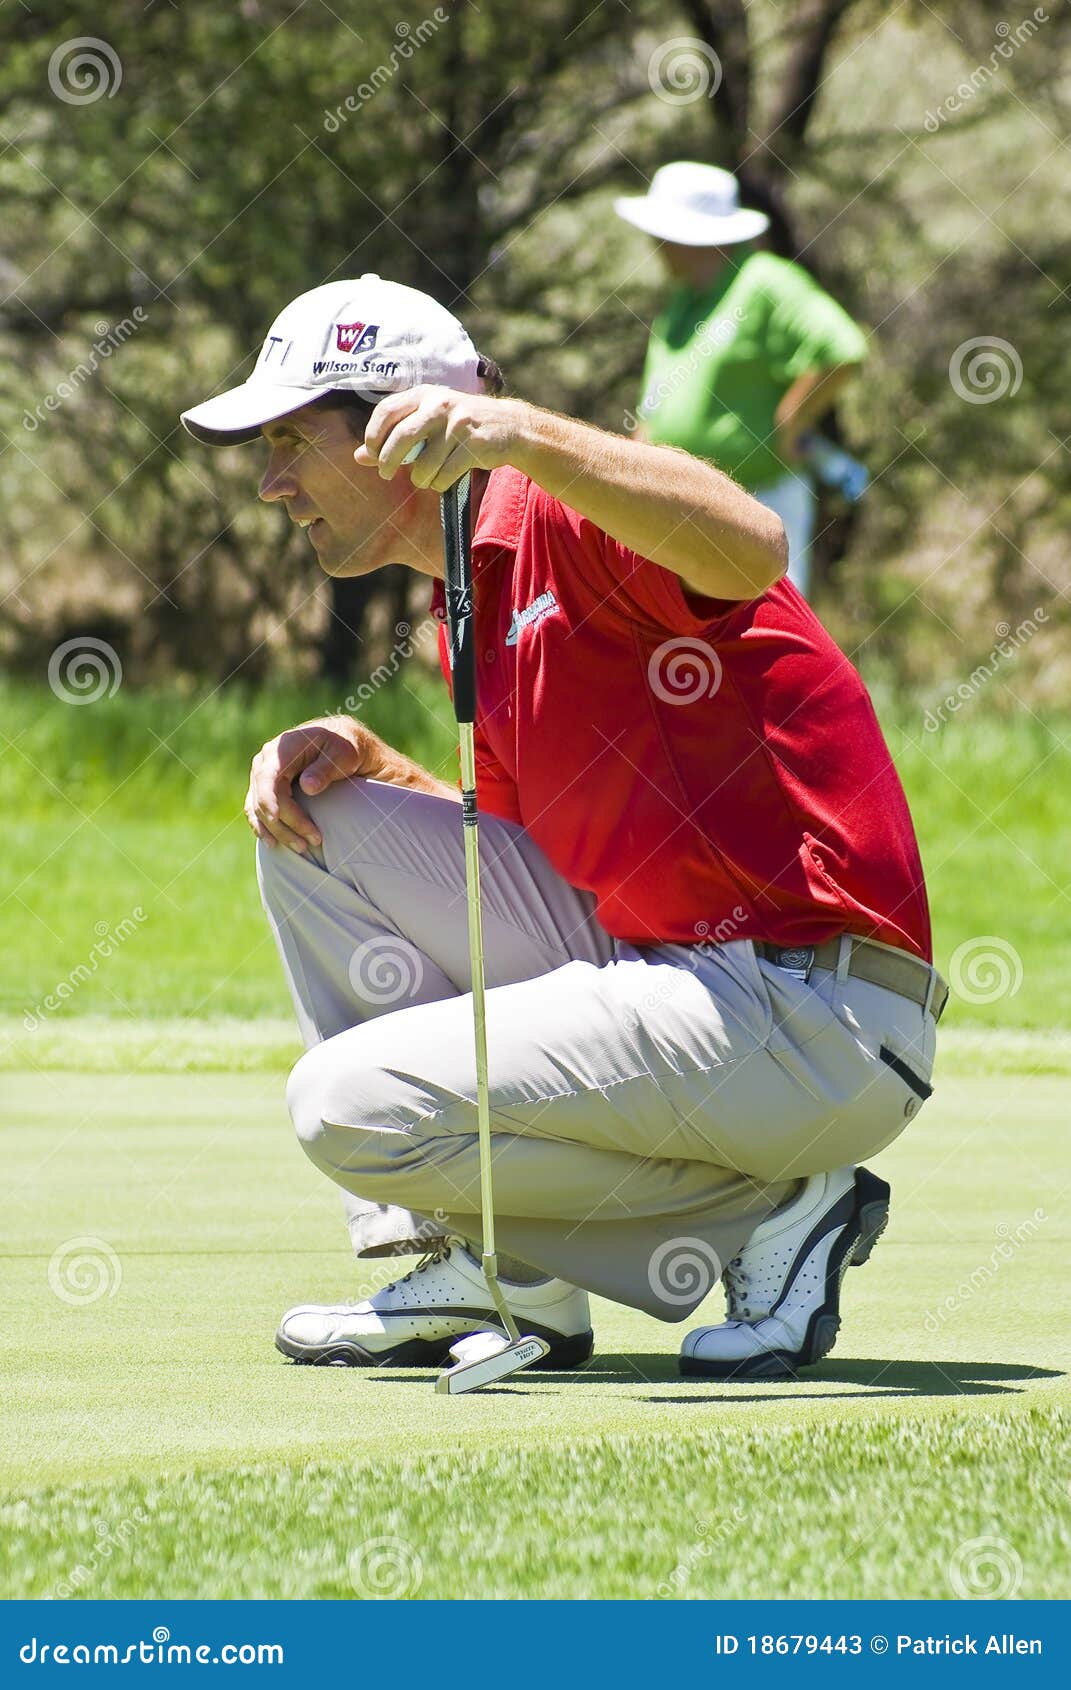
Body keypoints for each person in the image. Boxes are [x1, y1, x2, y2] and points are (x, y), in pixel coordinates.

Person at [180, 273, 943, 1382]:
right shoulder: (470, 602)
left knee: (339, 1109)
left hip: (815, 1010)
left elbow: (753, 544)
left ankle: (774, 1212)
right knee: (317, 823)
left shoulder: (573, 505)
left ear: (401, 427)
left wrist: (520, 433)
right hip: (680, 979)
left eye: (293, 439)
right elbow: (529, 866)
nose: (271, 482)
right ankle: (499, 1270)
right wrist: (377, 767)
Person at [615, 161, 867, 598]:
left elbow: (842, 348)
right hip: (680, 512)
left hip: (760, 504)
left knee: (763, 626)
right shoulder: (679, 304)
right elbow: (653, 409)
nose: (654, 244)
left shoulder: (764, 281)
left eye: (663, 233)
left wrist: (792, 420)